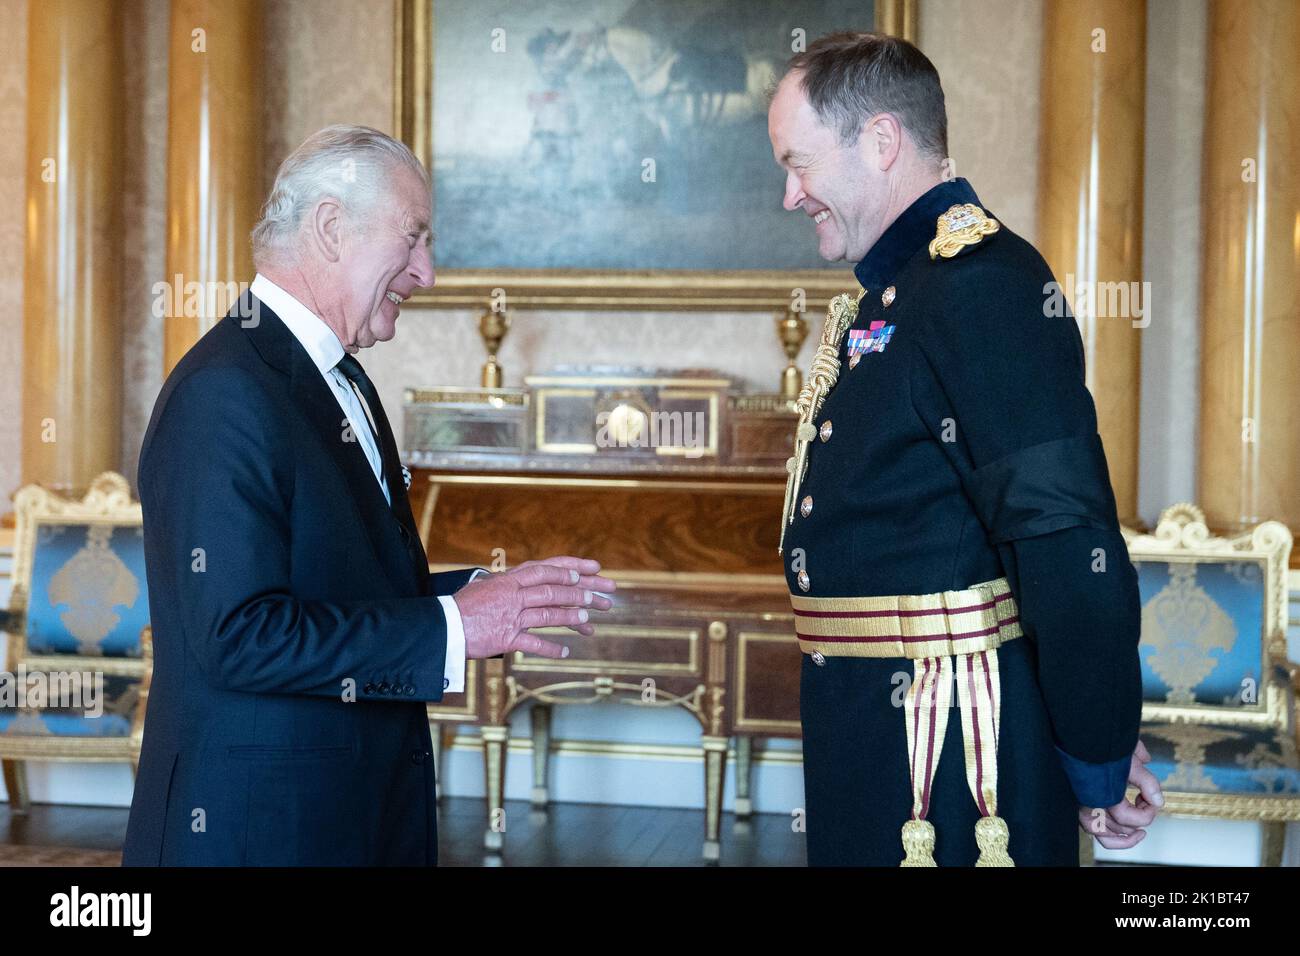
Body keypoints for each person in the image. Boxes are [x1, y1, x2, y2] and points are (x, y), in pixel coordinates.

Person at [122, 125, 615, 866]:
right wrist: (452, 629)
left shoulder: (342, 378)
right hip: (256, 834)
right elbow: (236, 635)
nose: (428, 273)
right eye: (413, 238)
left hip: (345, 820)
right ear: (330, 228)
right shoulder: (223, 392)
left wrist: (476, 596)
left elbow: (337, 585)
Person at [766, 33, 1163, 866]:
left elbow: (1065, 540)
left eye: (799, 164)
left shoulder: (982, 284)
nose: (790, 194)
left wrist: (1094, 751)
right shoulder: (902, 292)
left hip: (954, 752)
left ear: (881, 142)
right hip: (879, 730)